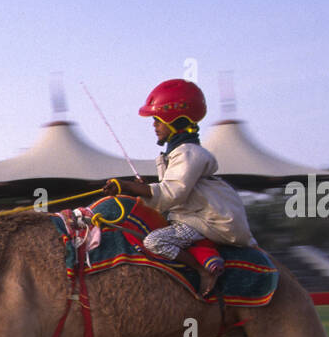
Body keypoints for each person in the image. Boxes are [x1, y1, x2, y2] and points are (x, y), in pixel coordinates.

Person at [105, 79, 254, 297]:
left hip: (210, 220)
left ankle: (202, 269)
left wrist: (127, 187)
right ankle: (207, 257)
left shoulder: (188, 153)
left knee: (154, 241)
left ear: (174, 120)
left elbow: (170, 194)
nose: (154, 126)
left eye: (158, 120)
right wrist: (140, 189)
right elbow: (166, 195)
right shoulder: (177, 154)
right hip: (196, 218)